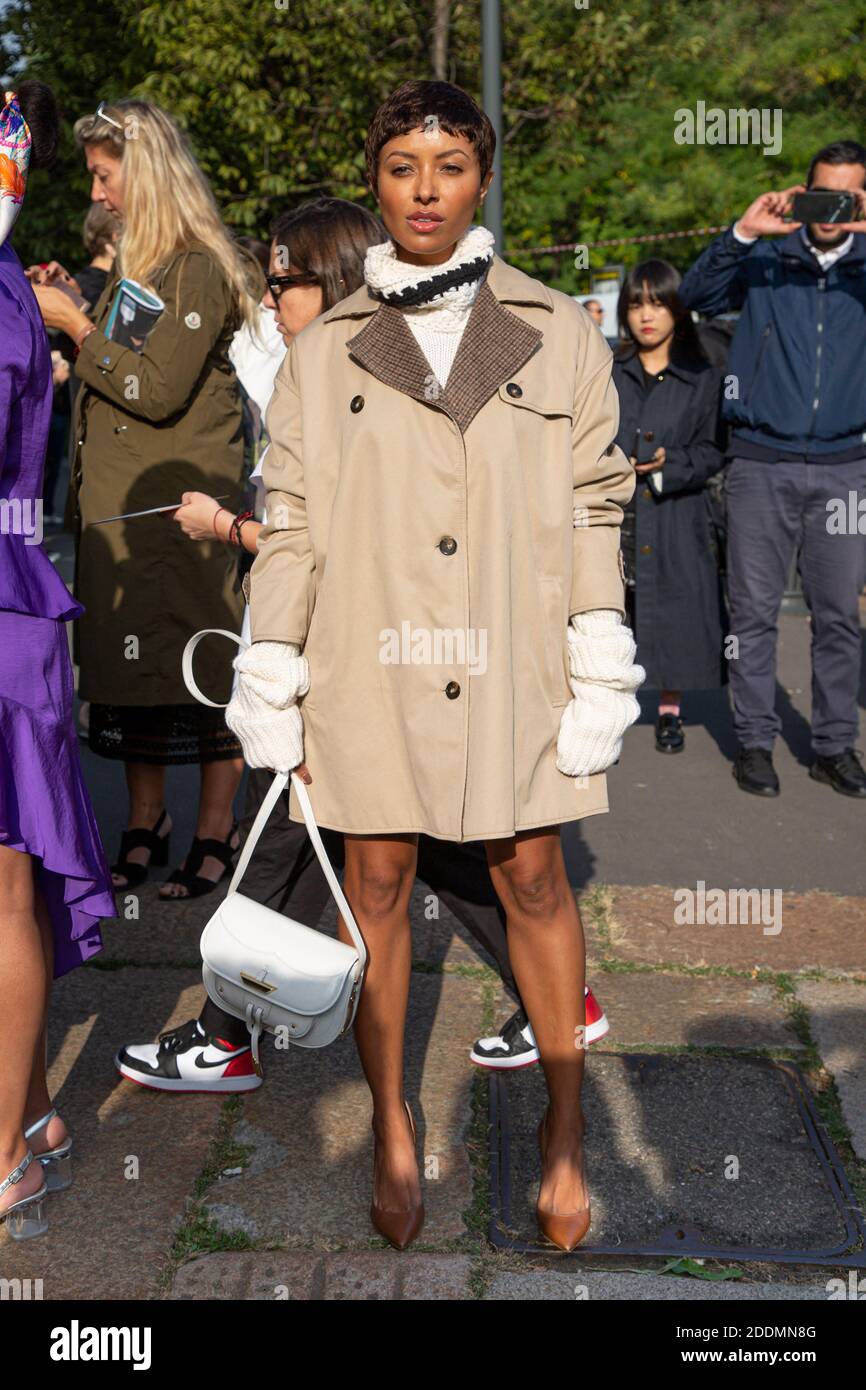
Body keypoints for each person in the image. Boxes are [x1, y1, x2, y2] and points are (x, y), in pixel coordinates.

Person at [225, 80, 642, 1252]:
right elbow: (292, 517)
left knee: (532, 883)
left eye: (448, 164)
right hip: (371, 667)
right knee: (376, 895)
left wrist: (598, 652)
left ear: (481, 175)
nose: (424, 188)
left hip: (514, 664)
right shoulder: (327, 349)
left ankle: (563, 1136)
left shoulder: (558, 329)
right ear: (375, 179)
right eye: (402, 165)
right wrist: (272, 666)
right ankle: (395, 1131)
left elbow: (593, 504)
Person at [115, 196, 610, 1094]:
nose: (270, 301)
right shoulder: (313, 368)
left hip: (354, 660)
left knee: (300, 845)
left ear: (333, 280)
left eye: (284, 281)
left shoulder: (384, 365)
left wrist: (229, 528)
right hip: (337, 661)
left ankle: (226, 1032)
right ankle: (552, 1003)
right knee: (414, 850)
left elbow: (346, 544)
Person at [31, 100, 265, 900]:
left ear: (147, 172)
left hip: (184, 519)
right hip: (129, 521)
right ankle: (146, 824)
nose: (97, 194)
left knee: (200, 678)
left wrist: (72, 325)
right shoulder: (144, 265)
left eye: (105, 175)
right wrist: (76, 303)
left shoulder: (196, 265)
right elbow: (123, 364)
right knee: (132, 686)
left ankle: (214, 831)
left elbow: (156, 390)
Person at [0, 82, 115, 1241]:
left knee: (3, 884)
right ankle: (28, 1112)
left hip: (2, 605)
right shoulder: (10, 285)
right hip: (15, 601)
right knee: (15, 879)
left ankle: (3, 1156)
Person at [679, 140, 866, 798]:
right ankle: (755, 742)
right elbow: (693, 295)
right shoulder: (765, 255)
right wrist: (740, 232)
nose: (832, 210)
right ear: (802, 189)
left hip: (847, 465)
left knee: (839, 614)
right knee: (753, 610)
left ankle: (834, 746)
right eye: (823, 193)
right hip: (761, 459)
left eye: (848, 198)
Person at [612, 259, 727, 753]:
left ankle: (668, 711)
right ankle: (610, 710)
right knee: (613, 611)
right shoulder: (606, 370)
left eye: (657, 302)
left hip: (677, 511)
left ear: (678, 311)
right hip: (617, 509)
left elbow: (713, 449)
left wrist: (667, 465)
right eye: (636, 303)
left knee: (676, 609)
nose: (647, 315)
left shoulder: (702, 375)